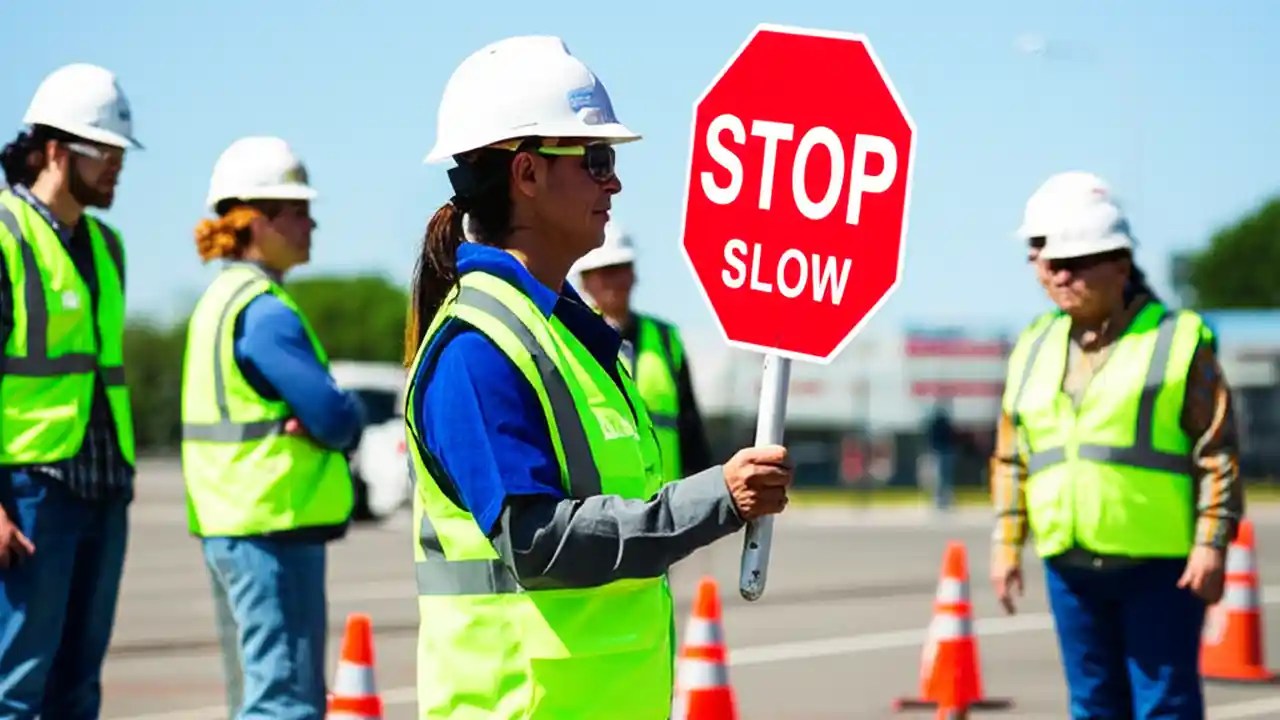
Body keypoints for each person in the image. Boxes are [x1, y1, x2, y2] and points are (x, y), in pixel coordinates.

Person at [403, 35, 794, 719]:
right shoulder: (478, 351)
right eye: (596, 160)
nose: (613, 183)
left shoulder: (562, 333)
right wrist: (717, 499)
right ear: (526, 173)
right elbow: (537, 544)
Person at [989, 171, 1243, 719]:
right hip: (1069, 563)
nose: (1057, 273)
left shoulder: (1178, 340)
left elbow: (1216, 452)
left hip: (1161, 565)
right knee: (1093, 705)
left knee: (1164, 708)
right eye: (1043, 256)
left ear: (1120, 262)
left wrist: (1212, 543)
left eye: (1075, 260)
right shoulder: (1032, 345)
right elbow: (1013, 456)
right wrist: (1007, 543)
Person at [180, 135, 365, 719]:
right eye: (298, 212)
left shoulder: (219, 299)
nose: (312, 225)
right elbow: (336, 419)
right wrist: (348, 414)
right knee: (284, 701)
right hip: (271, 525)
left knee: (254, 696)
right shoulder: (264, 312)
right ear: (258, 220)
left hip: (231, 523)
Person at [0, 62, 141, 717]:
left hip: (103, 490)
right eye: (103, 152)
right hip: (32, 495)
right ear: (55, 149)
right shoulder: (4, 234)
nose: (116, 166)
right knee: (17, 688)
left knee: (79, 684)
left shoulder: (107, 246)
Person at [571, 221, 713, 481]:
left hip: (666, 503)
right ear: (584, 281)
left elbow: (690, 428)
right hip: (605, 505)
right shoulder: (572, 335)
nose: (617, 280)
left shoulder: (665, 338)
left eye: (622, 268)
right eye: (606, 271)